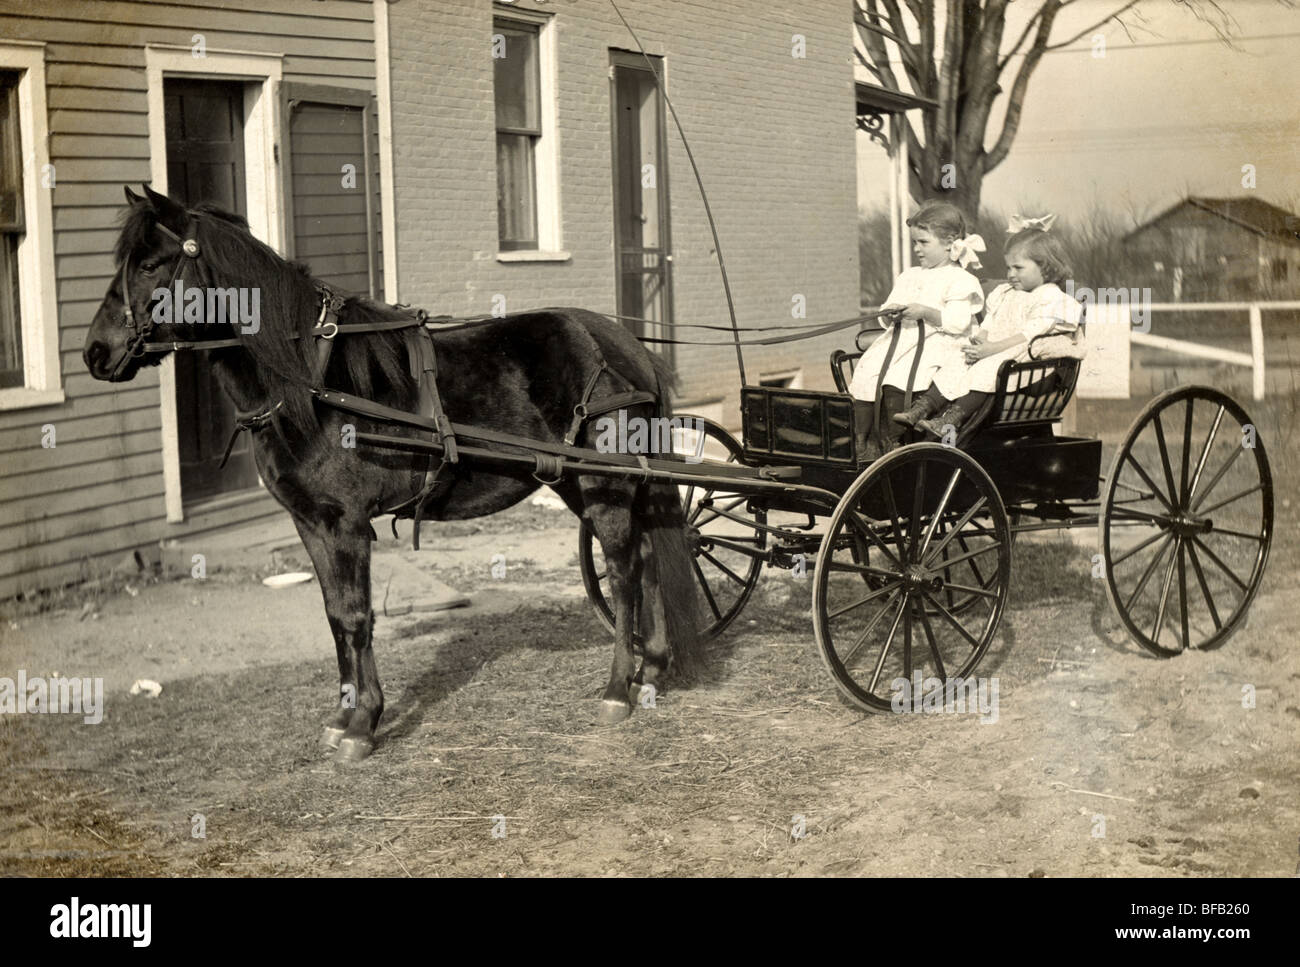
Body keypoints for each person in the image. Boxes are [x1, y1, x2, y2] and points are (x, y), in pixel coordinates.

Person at [891, 214, 1084, 438]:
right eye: (1008, 268)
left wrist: (991, 349)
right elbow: (991, 320)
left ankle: (952, 418)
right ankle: (924, 406)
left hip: (1026, 363)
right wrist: (981, 338)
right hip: (997, 351)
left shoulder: (1051, 298)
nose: (1010, 275)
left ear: (1046, 267)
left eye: (1018, 268)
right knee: (958, 359)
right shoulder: (1006, 293)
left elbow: (1029, 334)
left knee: (987, 367)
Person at [848, 201, 985, 460]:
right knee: (867, 371)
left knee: (897, 377)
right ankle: (862, 441)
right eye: (915, 243)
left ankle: (894, 442)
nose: (916, 249)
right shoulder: (909, 276)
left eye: (923, 243)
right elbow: (887, 309)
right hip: (901, 339)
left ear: (950, 242)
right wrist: (892, 313)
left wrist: (925, 311)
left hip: (940, 341)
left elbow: (956, 323)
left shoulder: (961, 280)